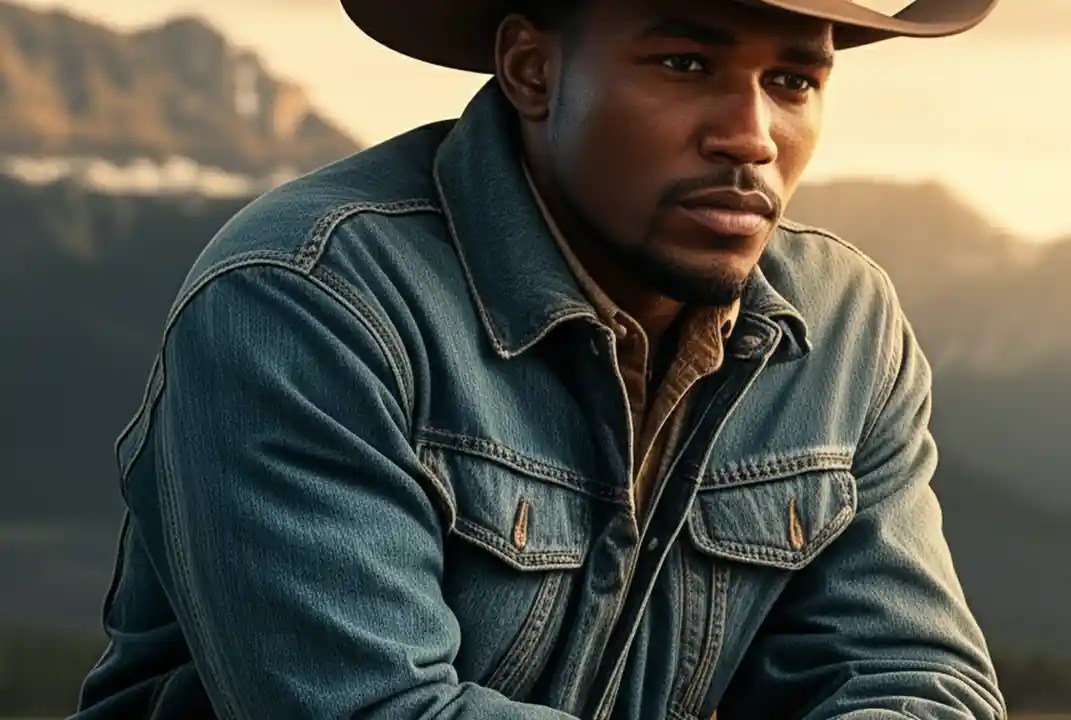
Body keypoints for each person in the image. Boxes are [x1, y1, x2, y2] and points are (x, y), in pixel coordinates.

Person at [74, 0, 1007, 717]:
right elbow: (371, 709)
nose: (751, 135)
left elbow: (915, 678)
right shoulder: (307, 299)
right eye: (685, 64)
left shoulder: (843, 326)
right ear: (532, 70)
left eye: (794, 81)